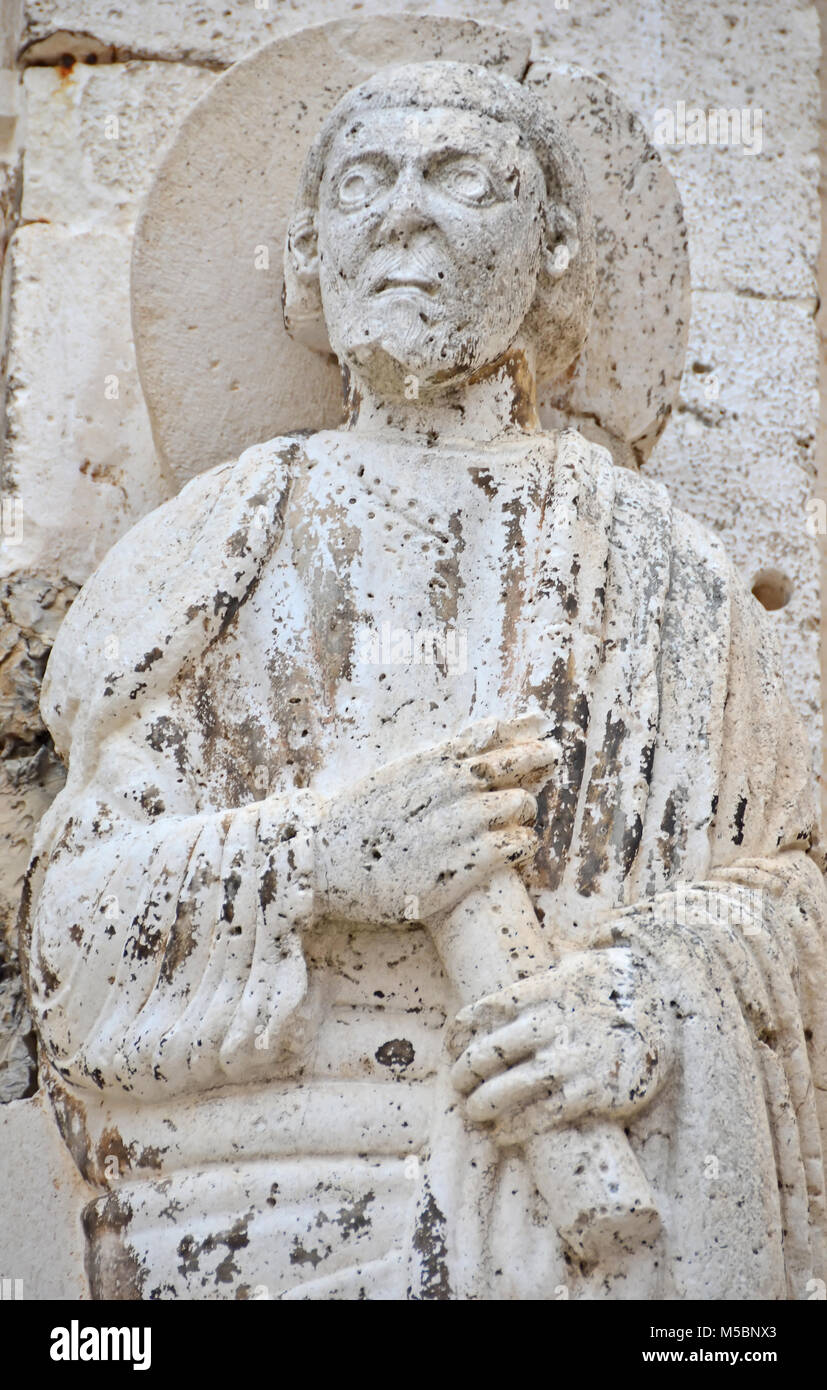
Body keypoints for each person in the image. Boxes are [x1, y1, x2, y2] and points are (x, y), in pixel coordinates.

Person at [22, 61, 827, 1300]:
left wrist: (646, 1001)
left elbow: (793, 888)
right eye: (363, 181)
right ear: (306, 256)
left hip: (574, 1218)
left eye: (460, 177)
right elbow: (65, 940)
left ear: (554, 255)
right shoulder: (213, 545)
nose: (403, 212)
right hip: (251, 1208)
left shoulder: (669, 575)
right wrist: (316, 859)